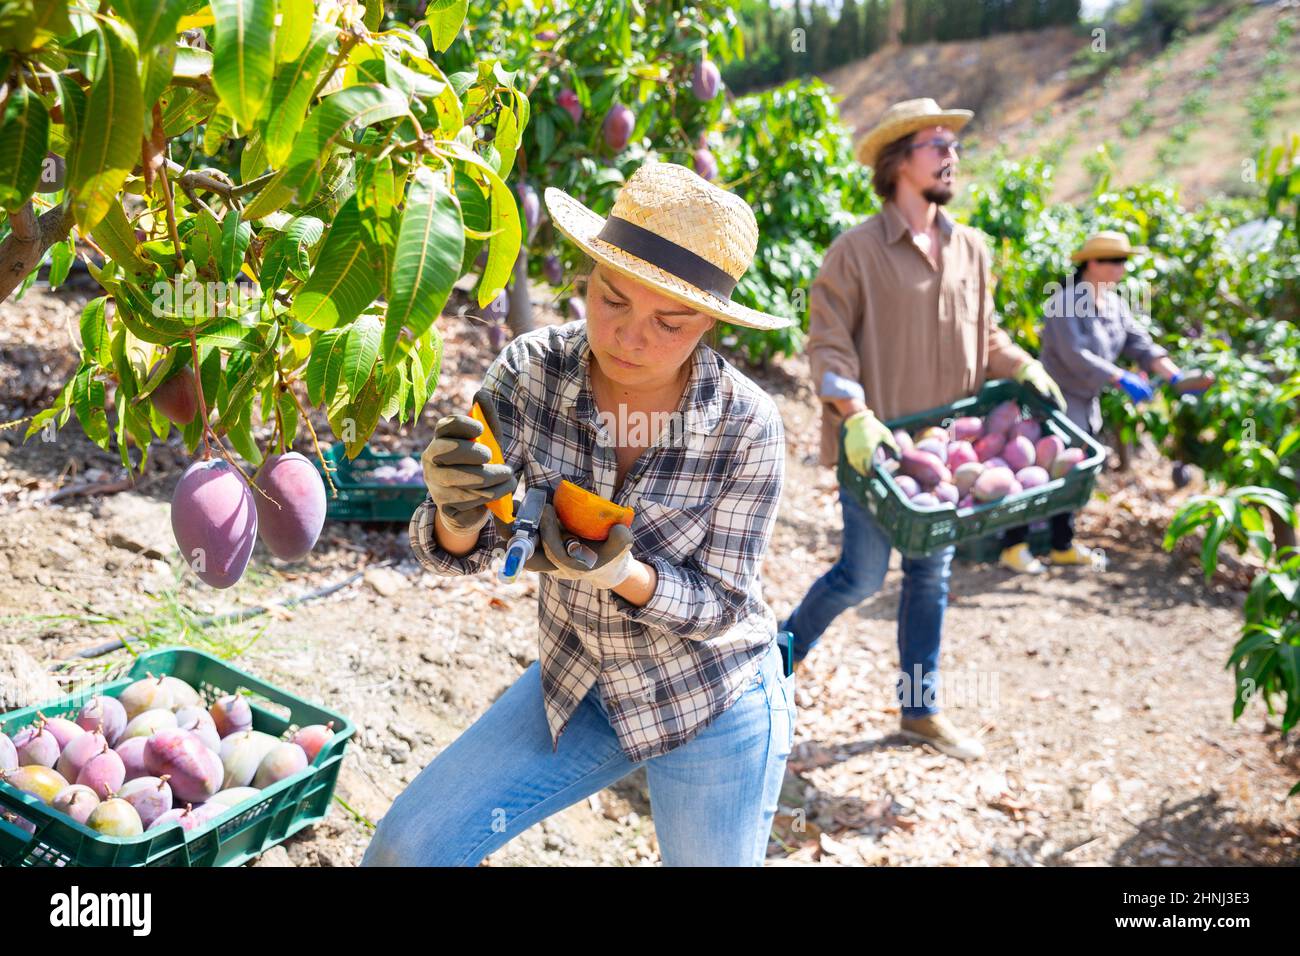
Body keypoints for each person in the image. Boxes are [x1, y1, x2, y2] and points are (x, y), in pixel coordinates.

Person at [361, 162, 796, 867]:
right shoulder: (532, 373)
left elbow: (723, 606)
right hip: (580, 682)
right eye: (612, 298)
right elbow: (471, 545)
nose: (628, 336)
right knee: (408, 850)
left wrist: (621, 572)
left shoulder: (745, 424)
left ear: (710, 323)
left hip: (708, 699)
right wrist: (456, 511)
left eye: (669, 321)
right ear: (588, 275)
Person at [781, 98, 1066, 762]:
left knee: (929, 576)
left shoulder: (971, 248)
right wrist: (853, 414)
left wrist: (1024, 365)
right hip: (877, 449)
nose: (951, 155)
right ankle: (771, 662)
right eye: (937, 143)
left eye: (954, 145)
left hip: (948, 452)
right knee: (859, 576)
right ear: (897, 161)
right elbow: (827, 347)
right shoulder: (854, 253)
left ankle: (920, 711)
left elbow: (985, 336)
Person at [999, 230, 1213, 573]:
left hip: (1085, 402)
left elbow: (1141, 346)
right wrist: (1119, 377)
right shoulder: (1065, 302)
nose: (1121, 268)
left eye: (1124, 261)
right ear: (1091, 264)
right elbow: (1075, 355)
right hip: (1055, 401)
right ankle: (1014, 544)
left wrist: (1175, 376)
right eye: (1113, 260)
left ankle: (1061, 544)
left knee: (1073, 473)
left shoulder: (1114, 304)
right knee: (1040, 470)